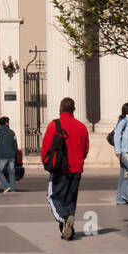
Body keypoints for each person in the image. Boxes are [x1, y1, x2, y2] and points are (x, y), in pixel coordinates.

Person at [41, 96, 89, 240]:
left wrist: (46, 162)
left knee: (53, 197)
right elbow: (85, 149)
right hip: (76, 169)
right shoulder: (82, 126)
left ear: (60, 108)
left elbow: (46, 147)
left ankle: (65, 217)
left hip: (60, 169)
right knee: (70, 199)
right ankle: (68, 231)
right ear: (74, 109)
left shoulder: (54, 125)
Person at [114, 102, 128, 204]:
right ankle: (127, 195)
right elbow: (117, 135)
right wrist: (117, 151)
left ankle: (120, 199)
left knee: (123, 175)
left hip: (125, 150)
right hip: (122, 151)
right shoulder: (123, 121)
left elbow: (127, 135)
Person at [0, 116, 18, 193]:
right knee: (11, 172)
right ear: (6, 123)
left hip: (2, 155)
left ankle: (6, 186)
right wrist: (15, 154)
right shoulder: (12, 132)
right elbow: (15, 145)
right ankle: (13, 189)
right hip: (11, 155)